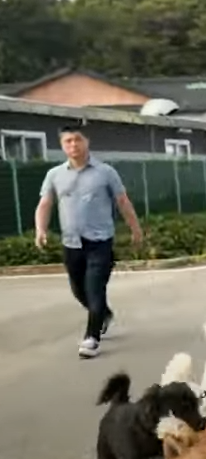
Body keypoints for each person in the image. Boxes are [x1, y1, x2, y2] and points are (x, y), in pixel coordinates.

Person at [34, 125, 143, 358]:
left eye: (77, 140)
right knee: (78, 290)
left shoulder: (105, 172)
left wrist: (135, 229)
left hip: (100, 243)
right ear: (62, 146)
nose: (73, 145)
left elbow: (122, 201)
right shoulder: (54, 174)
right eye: (68, 141)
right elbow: (45, 204)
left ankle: (91, 337)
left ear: (87, 142)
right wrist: (40, 229)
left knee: (95, 289)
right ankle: (104, 314)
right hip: (71, 243)